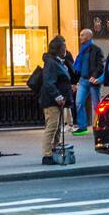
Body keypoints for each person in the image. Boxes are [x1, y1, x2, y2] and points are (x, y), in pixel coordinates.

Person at [39, 36, 73, 166]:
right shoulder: (51, 63)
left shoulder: (58, 61)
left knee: (58, 127)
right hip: (51, 101)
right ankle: (47, 155)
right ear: (58, 49)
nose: (65, 49)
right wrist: (58, 96)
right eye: (63, 47)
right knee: (52, 127)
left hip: (58, 100)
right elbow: (49, 82)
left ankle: (55, 149)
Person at [70, 29, 104, 135]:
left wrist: (94, 76)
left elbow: (100, 65)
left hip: (93, 81)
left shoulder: (96, 49)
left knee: (96, 105)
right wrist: (75, 82)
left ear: (88, 37)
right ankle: (82, 126)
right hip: (83, 80)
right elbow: (78, 68)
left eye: (82, 35)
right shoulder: (82, 50)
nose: (80, 37)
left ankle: (100, 125)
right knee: (79, 103)